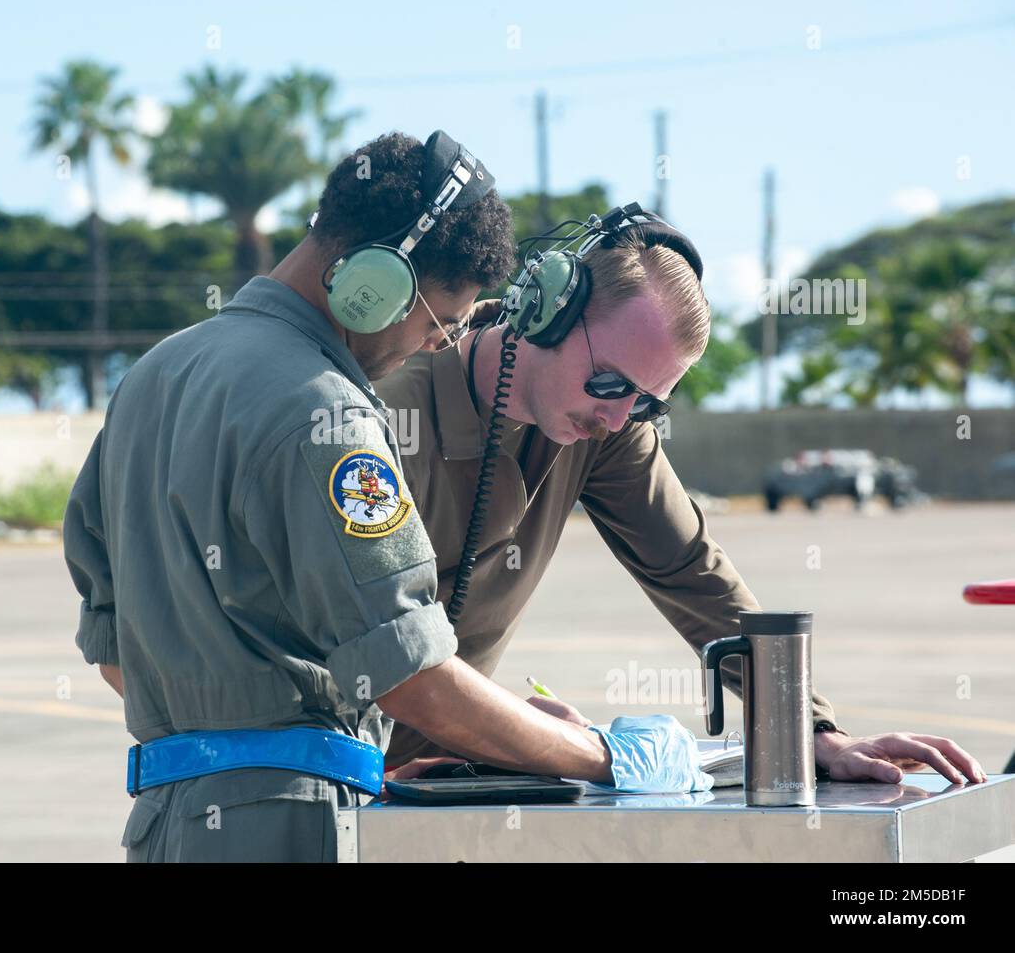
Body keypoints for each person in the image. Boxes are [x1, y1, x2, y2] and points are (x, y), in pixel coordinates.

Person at [64, 133, 714, 863]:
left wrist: (308, 750)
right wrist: (600, 753)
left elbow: (116, 649)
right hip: (296, 834)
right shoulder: (328, 412)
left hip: (166, 828)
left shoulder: (153, 378)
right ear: (374, 283)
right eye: (441, 317)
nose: (439, 344)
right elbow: (411, 673)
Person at [373, 207, 988, 788]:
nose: (616, 419)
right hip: (318, 768)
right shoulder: (383, 411)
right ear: (548, 310)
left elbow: (690, 569)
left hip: (422, 778)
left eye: (645, 401)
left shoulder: (605, 425)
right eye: (609, 381)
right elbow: (380, 652)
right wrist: (556, 743)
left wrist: (813, 729)